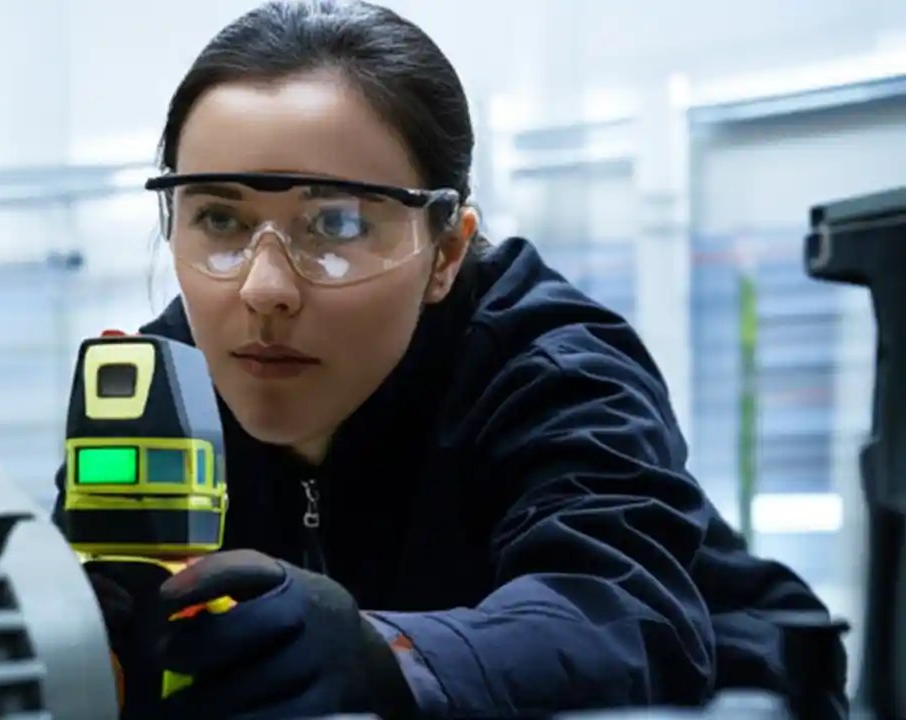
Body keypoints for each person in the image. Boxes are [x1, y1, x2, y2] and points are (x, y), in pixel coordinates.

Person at [54, 1, 847, 717]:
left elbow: (619, 623)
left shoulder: (555, 365)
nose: (264, 291)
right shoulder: (150, 397)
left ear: (446, 251)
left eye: (334, 224)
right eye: (220, 219)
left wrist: (387, 656)